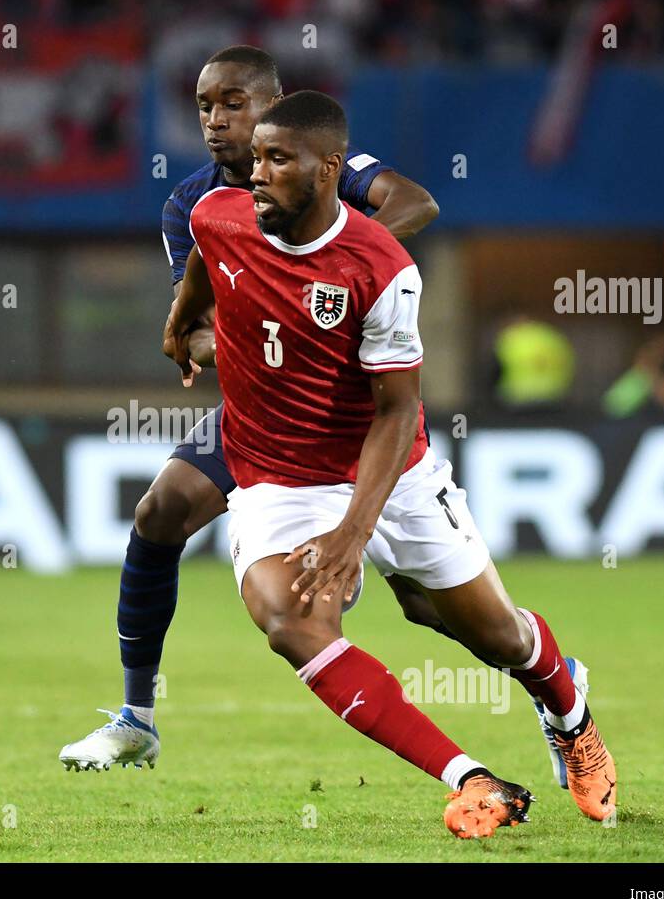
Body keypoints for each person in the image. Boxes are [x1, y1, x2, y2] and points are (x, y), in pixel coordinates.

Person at [59, 46, 569, 797]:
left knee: (429, 608)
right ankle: (137, 718)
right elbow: (200, 325)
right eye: (205, 106)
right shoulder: (191, 206)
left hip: (353, 410)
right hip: (266, 417)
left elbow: (417, 203)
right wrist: (239, 329)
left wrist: (333, 279)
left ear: (276, 108)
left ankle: (548, 684)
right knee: (160, 510)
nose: (217, 120)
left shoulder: (333, 172)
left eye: (235, 104)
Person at [158, 91, 614, 833]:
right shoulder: (222, 215)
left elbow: (398, 411)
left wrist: (350, 535)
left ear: (329, 168)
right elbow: (206, 264)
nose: (257, 173)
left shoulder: (381, 267)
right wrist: (180, 327)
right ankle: (471, 778)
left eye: (277, 159)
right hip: (276, 477)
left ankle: (571, 710)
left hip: (393, 475)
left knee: (492, 635)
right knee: (289, 620)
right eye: (257, 157)